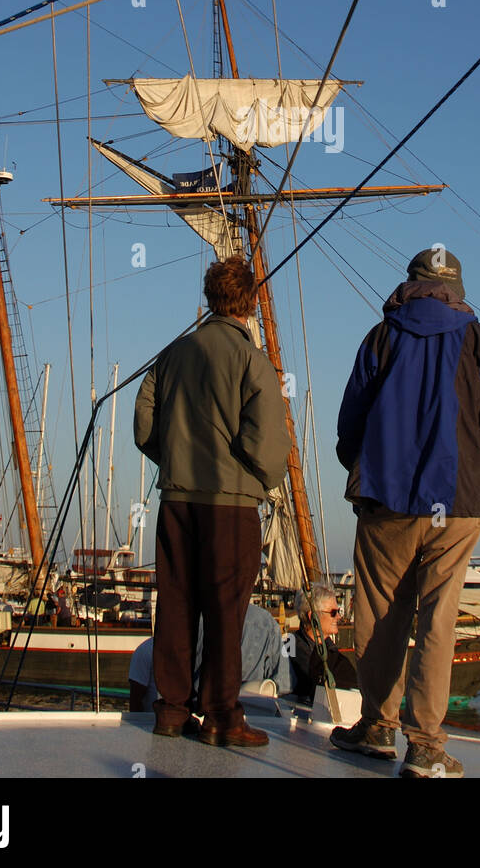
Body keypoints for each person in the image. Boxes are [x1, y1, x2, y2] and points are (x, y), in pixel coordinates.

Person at [329, 247, 480, 779]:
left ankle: (376, 726)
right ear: (457, 290)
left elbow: (350, 420)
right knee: (438, 618)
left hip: (386, 500)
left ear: (410, 284)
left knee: (378, 614)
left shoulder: (380, 337)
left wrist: (365, 463)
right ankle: (426, 746)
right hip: (456, 502)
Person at [134, 256, 289, 748]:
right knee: (227, 609)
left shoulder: (173, 355)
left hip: (177, 500)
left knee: (176, 603)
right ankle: (222, 716)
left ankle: (171, 711)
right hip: (231, 504)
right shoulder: (253, 361)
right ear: (250, 302)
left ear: (210, 298)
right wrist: (258, 478)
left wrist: (173, 459)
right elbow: (267, 443)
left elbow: (144, 424)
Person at [128, 603, 292, 712]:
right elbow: (283, 683)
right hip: (248, 717)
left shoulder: (191, 616)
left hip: (198, 717)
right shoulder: (267, 622)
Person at [289, 584, 357, 703]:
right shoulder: (292, 650)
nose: (339, 617)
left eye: (338, 611)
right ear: (313, 617)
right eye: (333, 613)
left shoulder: (333, 653)